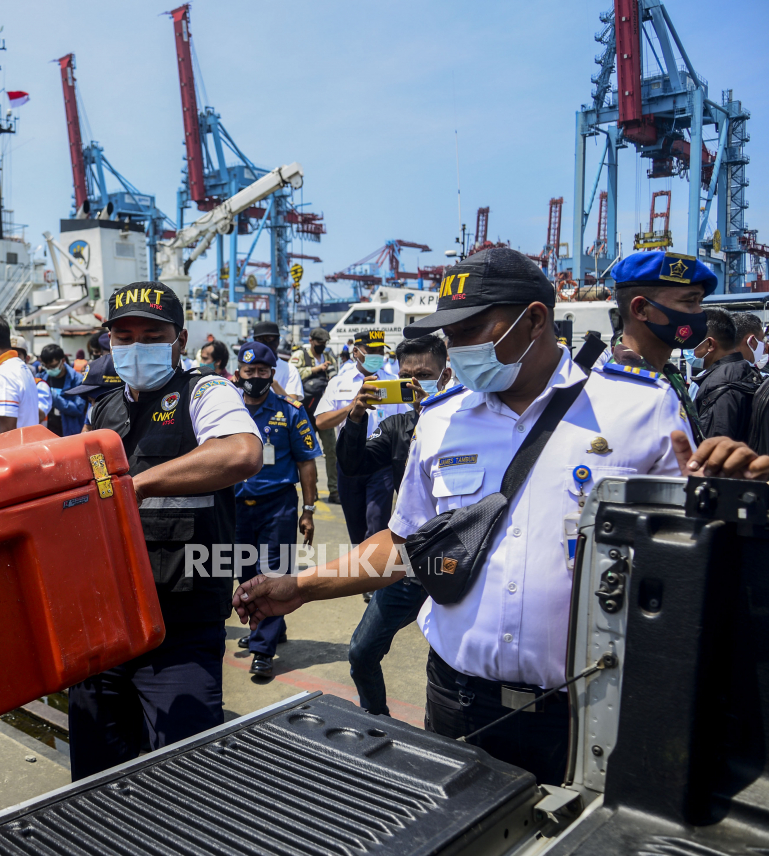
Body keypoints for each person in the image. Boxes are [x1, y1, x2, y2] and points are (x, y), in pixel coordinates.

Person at [233, 246, 769, 785]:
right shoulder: (440, 421)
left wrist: (731, 502)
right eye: (449, 332)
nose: (454, 346)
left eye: (469, 329)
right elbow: (403, 546)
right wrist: (301, 586)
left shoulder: (640, 409)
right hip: (460, 701)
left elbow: (688, 560)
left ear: (534, 319)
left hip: (590, 704)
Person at [70, 282, 262, 780]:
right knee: (96, 780)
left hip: (181, 625)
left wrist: (138, 484)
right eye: (124, 334)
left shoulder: (206, 391)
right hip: (108, 625)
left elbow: (241, 452)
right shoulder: (102, 409)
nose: (136, 346)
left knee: (183, 778)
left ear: (178, 340)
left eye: (151, 334)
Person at [338, 334, 452, 716]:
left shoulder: (466, 423)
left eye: (425, 375)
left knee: (450, 663)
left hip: (458, 566)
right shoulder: (396, 427)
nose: (414, 384)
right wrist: (355, 417)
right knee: (361, 651)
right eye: (407, 377)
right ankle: (378, 719)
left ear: (446, 373)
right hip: (406, 563)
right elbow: (353, 466)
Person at [231, 341, 320, 677]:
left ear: (272, 374)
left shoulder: (290, 412)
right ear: (238, 372)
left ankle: (262, 649)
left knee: (273, 572)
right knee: (245, 571)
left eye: (262, 371)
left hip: (278, 505)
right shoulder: (228, 410)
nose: (255, 376)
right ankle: (267, 627)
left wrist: (308, 509)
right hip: (237, 506)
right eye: (249, 371)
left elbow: (306, 464)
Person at [607, 249, 719, 440]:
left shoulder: (667, 373)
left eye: (700, 301)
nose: (699, 312)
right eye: (690, 301)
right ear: (641, 309)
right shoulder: (614, 386)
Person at [314, 330, 408, 547]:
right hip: (349, 462)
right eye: (371, 351)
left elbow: (407, 419)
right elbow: (321, 421)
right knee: (356, 529)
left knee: (376, 525)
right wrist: (352, 407)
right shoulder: (339, 383)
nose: (377, 355)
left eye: (380, 351)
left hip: (381, 463)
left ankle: (377, 576)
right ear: (356, 351)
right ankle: (363, 573)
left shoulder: (393, 382)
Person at [689, 308, 761, 442]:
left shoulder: (718, 385)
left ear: (710, 344)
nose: (689, 348)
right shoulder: (747, 371)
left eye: (692, 341)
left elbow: (715, 446)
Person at [291, 327, 341, 503]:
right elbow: (293, 373)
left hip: (325, 409)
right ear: (311, 341)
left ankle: (334, 490)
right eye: (319, 343)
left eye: (324, 343)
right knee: (310, 452)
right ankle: (313, 489)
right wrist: (315, 369)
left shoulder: (328, 356)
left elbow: (336, 376)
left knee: (331, 450)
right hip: (306, 411)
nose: (322, 346)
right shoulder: (300, 355)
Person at [41, 344, 87, 436]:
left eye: (52, 366)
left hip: (69, 433)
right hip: (47, 432)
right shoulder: (42, 379)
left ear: (62, 361)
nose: (49, 370)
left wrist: (54, 397)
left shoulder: (77, 380)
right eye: (46, 367)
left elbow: (78, 409)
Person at [250, 320, 303, 399]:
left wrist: (272, 383)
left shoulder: (290, 370)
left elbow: (293, 404)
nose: (265, 343)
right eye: (260, 339)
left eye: (269, 338)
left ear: (278, 341)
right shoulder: (247, 368)